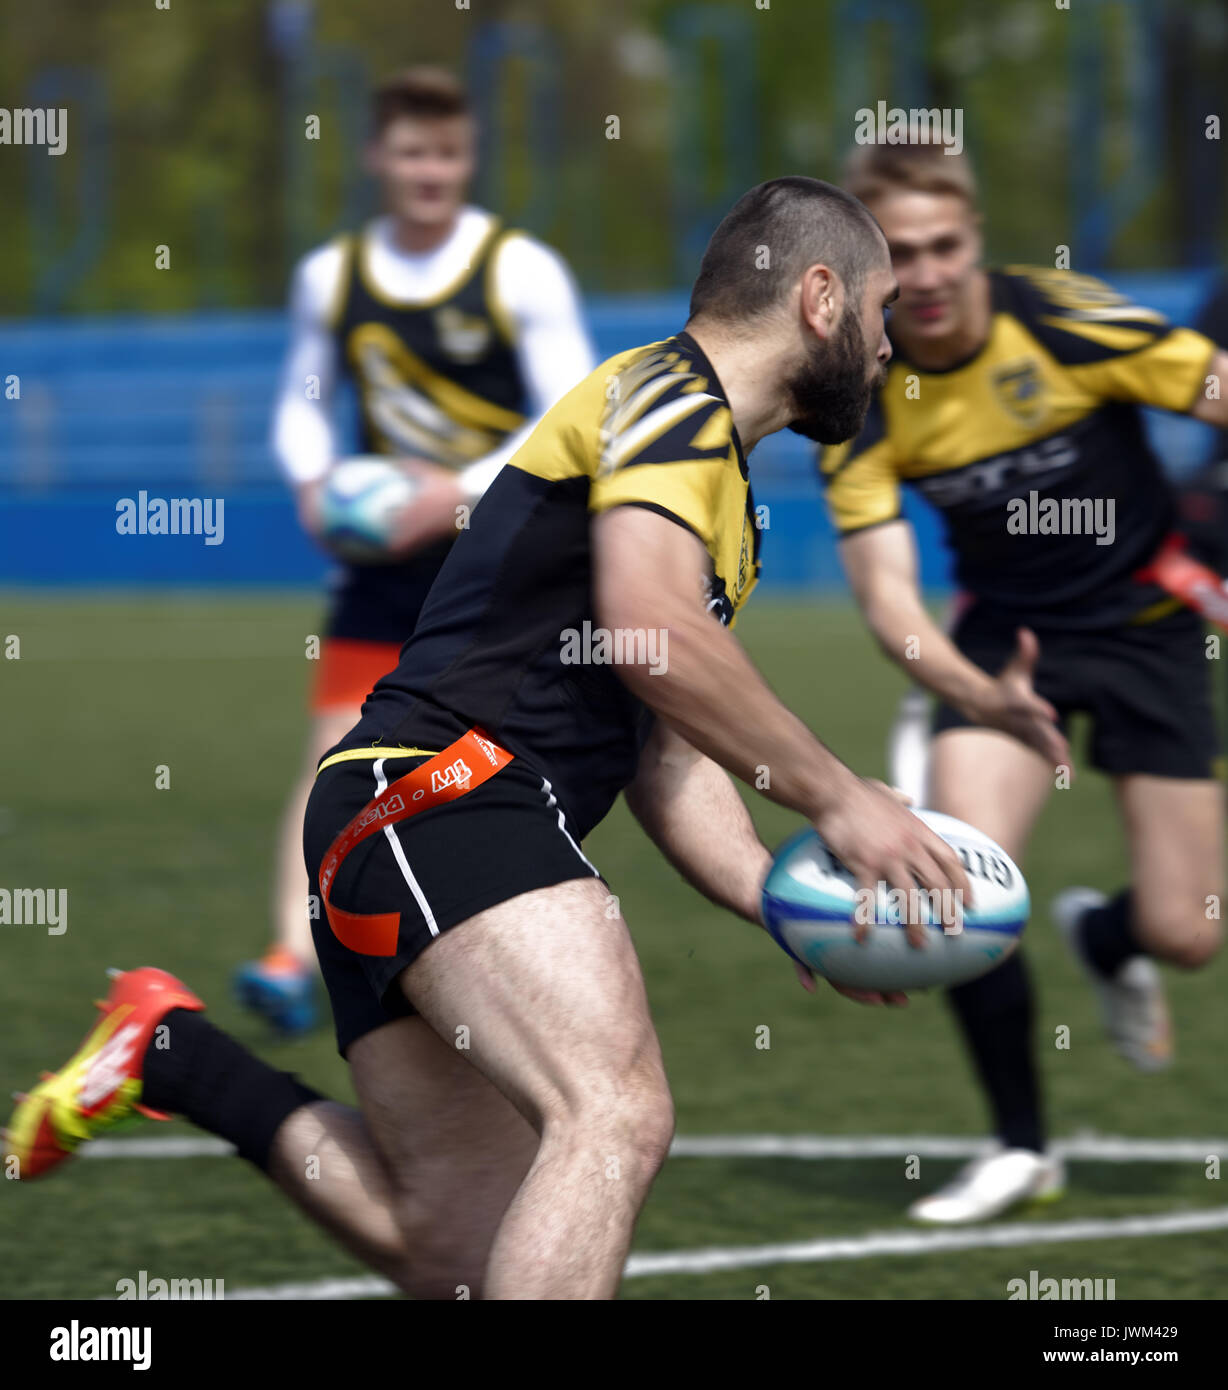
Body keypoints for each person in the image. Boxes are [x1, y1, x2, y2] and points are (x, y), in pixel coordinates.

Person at [8, 176, 969, 1301]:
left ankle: (171, 1053)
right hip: (449, 794)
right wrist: (836, 796)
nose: (888, 347)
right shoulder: (669, 395)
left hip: (404, 811)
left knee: (454, 1248)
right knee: (611, 1109)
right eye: (879, 308)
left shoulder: (721, 488)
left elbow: (668, 756)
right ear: (818, 298)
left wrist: (777, 899)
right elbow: (648, 624)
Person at [820, 140, 1228, 1224]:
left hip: (1149, 633)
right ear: (867, 267)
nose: (932, 271)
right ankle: (1019, 1146)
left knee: (1190, 931)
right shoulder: (862, 392)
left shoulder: (1063, 318)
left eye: (946, 243)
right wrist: (972, 687)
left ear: (976, 237)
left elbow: (1214, 386)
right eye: (901, 253)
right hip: (1002, 656)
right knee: (964, 896)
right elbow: (888, 604)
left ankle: (1104, 937)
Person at [236, 66, 596, 1032]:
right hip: (380, 568)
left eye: (447, 153)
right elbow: (302, 404)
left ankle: (507, 942)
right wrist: (313, 481)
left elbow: (569, 412)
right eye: (411, 153)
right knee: (332, 760)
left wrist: (453, 494)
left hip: (497, 563)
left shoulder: (519, 269)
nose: (430, 171)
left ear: (468, 155)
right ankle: (288, 950)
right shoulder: (332, 277)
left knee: (499, 765)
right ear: (376, 158)